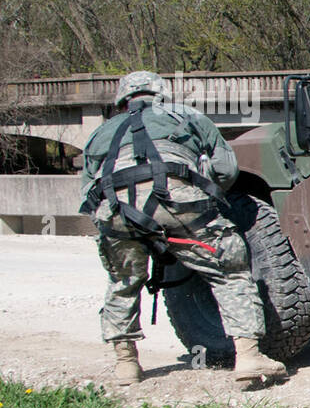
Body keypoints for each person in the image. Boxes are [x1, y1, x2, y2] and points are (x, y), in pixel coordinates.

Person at [79, 71, 288, 386]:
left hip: (115, 209)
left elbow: (86, 193)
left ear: (122, 101)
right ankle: (247, 356)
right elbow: (225, 169)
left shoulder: (100, 133)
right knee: (229, 268)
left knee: (123, 280)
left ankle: (126, 364)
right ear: (162, 94)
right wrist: (205, 201)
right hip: (176, 199)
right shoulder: (187, 115)